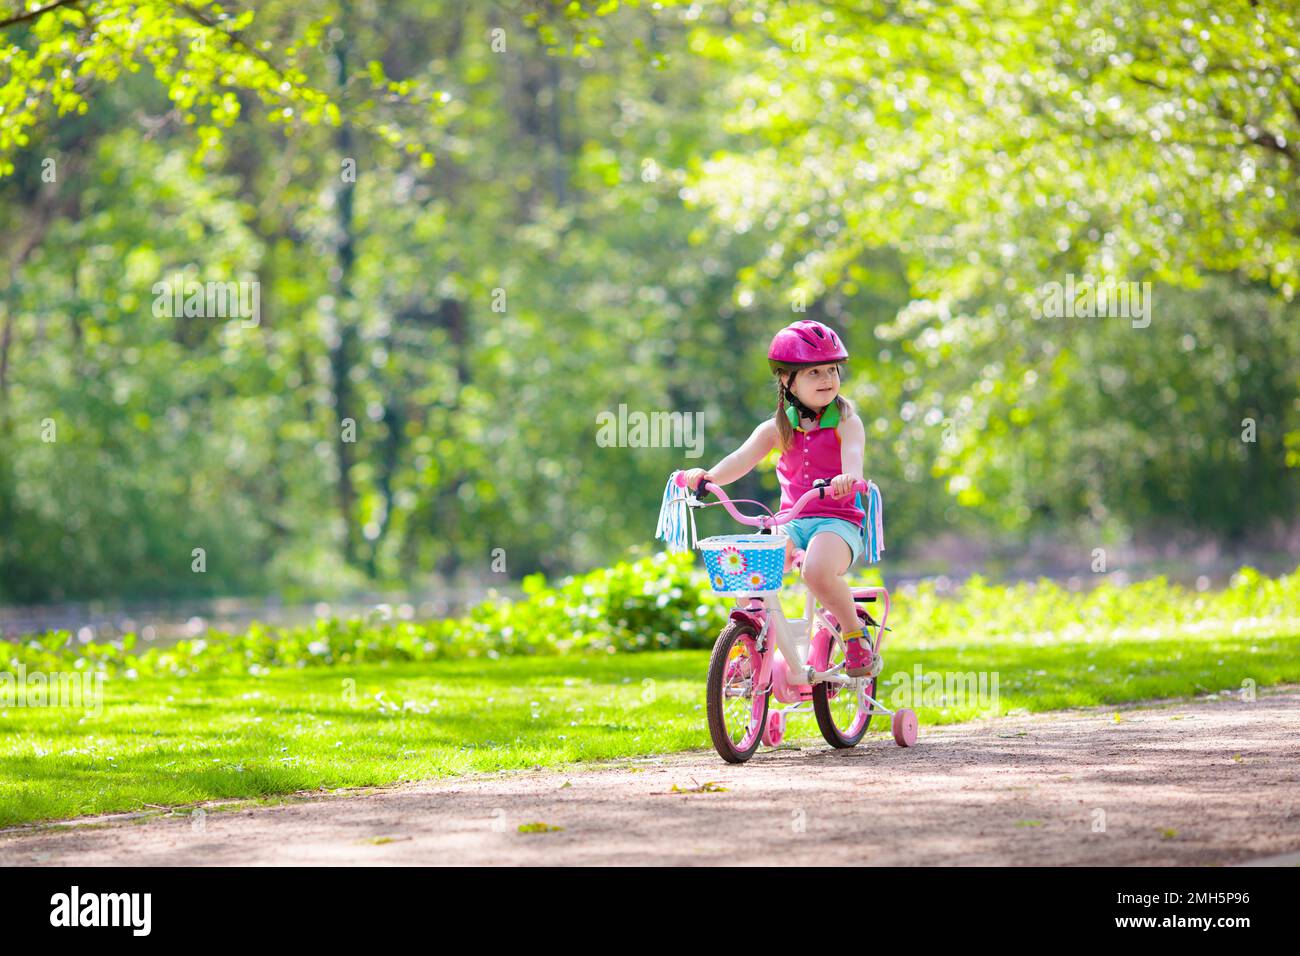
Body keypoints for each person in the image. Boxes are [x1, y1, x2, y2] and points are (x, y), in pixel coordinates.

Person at [680, 319, 874, 677]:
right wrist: (707, 477)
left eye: (831, 369)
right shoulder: (777, 428)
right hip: (792, 521)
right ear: (787, 380)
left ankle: (855, 636)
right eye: (813, 372)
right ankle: (749, 645)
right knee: (747, 567)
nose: (827, 378)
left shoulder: (847, 421)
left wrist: (849, 479)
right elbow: (740, 459)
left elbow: (854, 458)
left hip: (838, 521)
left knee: (816, 571)